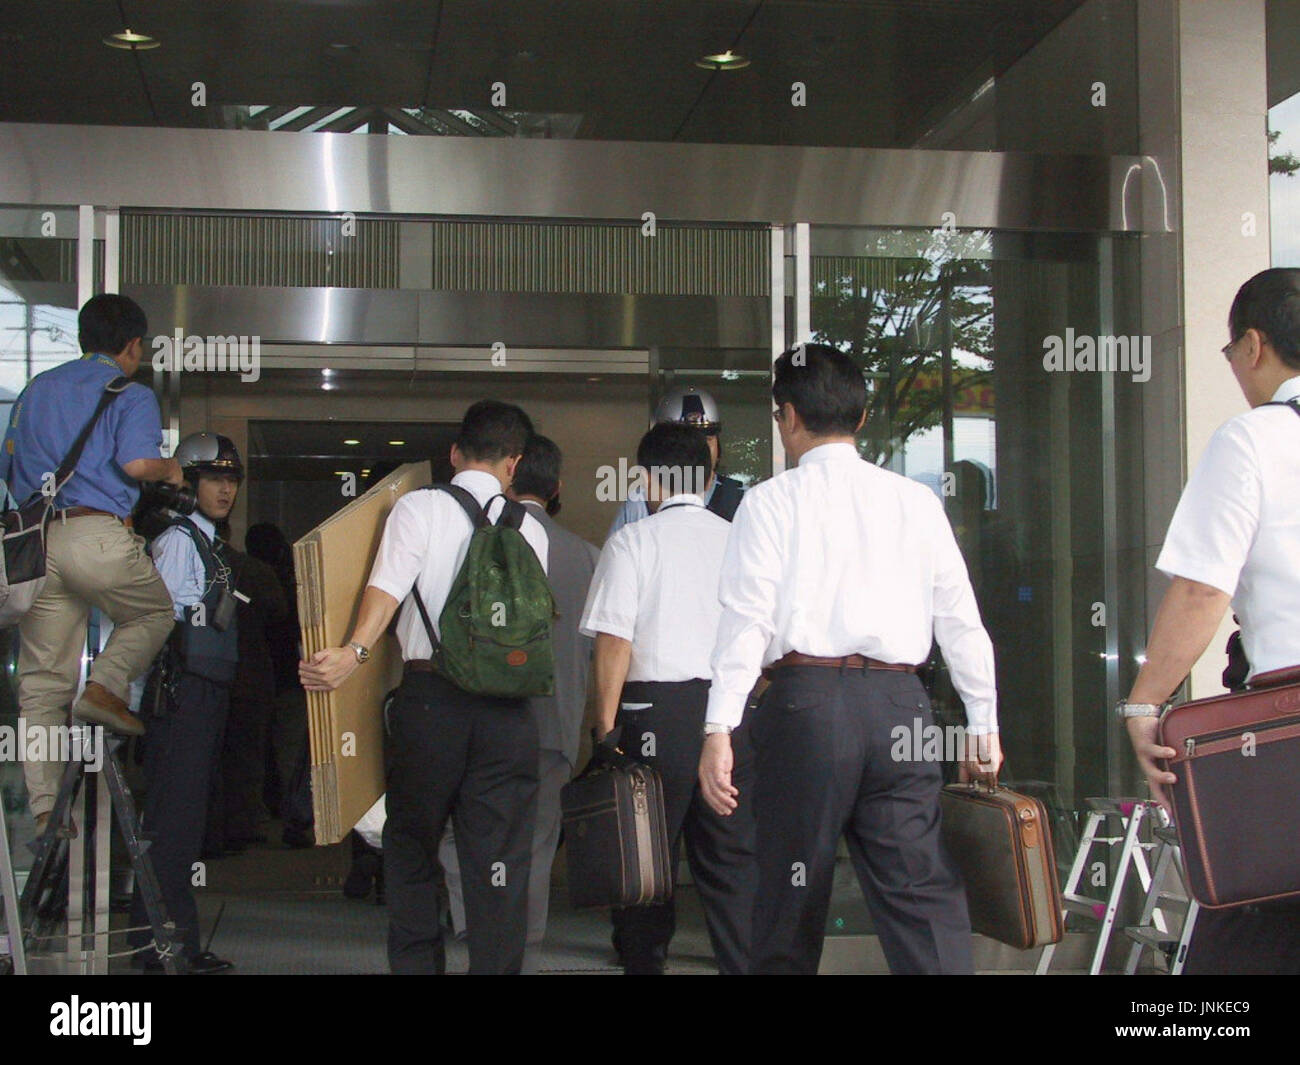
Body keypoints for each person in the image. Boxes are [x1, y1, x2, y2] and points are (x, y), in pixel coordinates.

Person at [698, 343, 1002, 975]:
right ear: (861, 420)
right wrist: (983, 723)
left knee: (788, 893)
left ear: (785, 417)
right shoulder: (916, 502)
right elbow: (961, 621)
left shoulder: (769, 503)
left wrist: (718, 727)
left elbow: (746, 622)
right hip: (902, 705)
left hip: (805, 704)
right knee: (920, 892)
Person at [300, 400, 548, 975]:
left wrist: (354, 653)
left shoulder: (419, 507)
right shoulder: (531, 528)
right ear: (514, 464)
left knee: (412, 848)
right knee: (499, 862)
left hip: (431, 705)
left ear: (455, 454)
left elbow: (385, 589)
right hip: (508, 715)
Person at [1122, 268, 1300, 974]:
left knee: (1243, 939)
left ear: (1253, 345)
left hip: (1287, 739)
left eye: (1229, 354)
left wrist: (1145, 702)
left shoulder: (1255, 439)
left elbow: (1201, 591)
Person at [582, 422, 757, 975]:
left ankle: (644, 962)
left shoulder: (633, 542)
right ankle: (742, 960)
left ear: (648, 479)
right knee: (730, 857)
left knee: (645, 854)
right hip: (729, 716)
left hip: (652, 714)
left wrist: (603, 732)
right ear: (708, 479)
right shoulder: (738, 542)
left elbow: (614, 643)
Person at [0, 294, 179, 835]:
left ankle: (44, 810)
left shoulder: (34, 391)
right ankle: (104, 686)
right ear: (131, 346)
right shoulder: (131, 393)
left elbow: (10, 470)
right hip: (96, 535)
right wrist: (171, 467)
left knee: (41, 685)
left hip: (37, 543)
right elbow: (135, 463)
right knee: (153, 613)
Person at [440, 434, 599, 971]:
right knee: (534, 841)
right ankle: (523, 947)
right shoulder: (588, 556)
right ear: (556, 488)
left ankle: (473, 928)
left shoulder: (472, 538)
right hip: (554, 723)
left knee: (465, 829)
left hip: (480, 714)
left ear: (509, 474)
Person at [129, 432, 245, 974]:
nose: (226, 489)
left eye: (231, 480)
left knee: (183, 821)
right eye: (214, 479)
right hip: (183, 693)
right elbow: (162, 624)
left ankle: (170, 941)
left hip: (204, 692)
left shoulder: (207, 540)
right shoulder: (179, 539)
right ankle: (163, 946)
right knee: (173, 823)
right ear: (190, 484)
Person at [608, 386, 745, 535]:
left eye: (707, 440)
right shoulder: (640, 501)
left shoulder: (742, 500)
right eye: (685, 443)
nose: (699, 451)